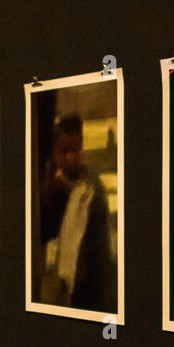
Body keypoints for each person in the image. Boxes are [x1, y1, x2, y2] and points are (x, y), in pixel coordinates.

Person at [37, 115, 115, 310]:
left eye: (76, 149)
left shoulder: (89, 189)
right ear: (54, 154)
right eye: (65, 151)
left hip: (86, 289)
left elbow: (95, 254)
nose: (72, 157)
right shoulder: (53, 188)